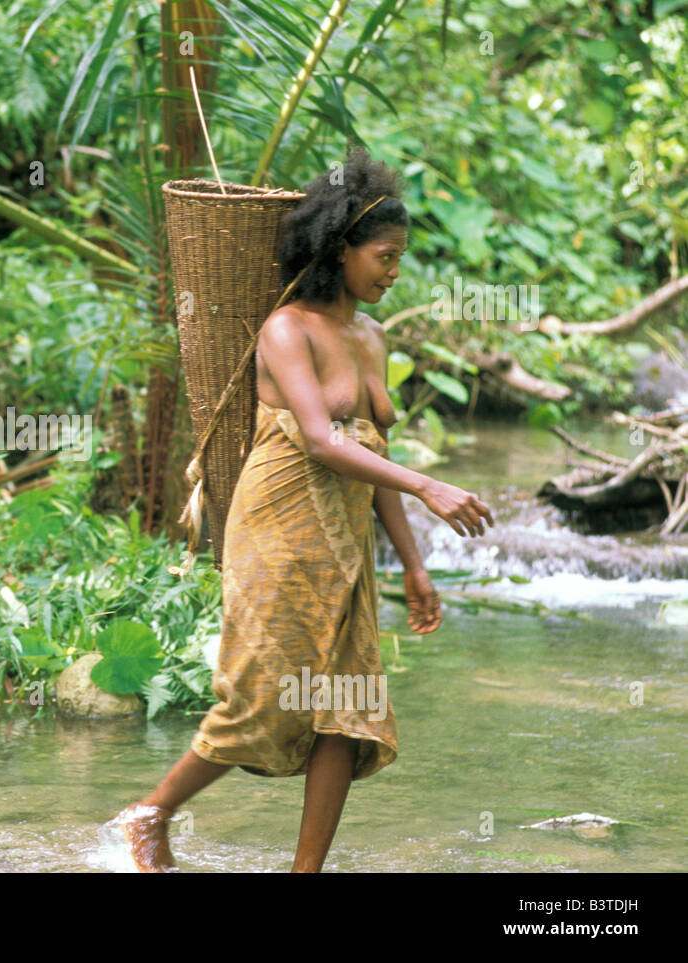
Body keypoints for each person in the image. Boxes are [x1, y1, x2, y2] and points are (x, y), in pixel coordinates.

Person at [119, 149, 495, 872]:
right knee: (261, 697)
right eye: (384, 256)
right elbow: (323, 441)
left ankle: (306, 871)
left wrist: (413, 565)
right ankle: (149, 811)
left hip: (346, 543)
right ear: (340, 250)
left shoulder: (373, 338)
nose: (393, 271)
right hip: (279, 530)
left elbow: (370, 450)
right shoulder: (285, 330)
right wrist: (430, 484)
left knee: (344, 716)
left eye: (400, 258)